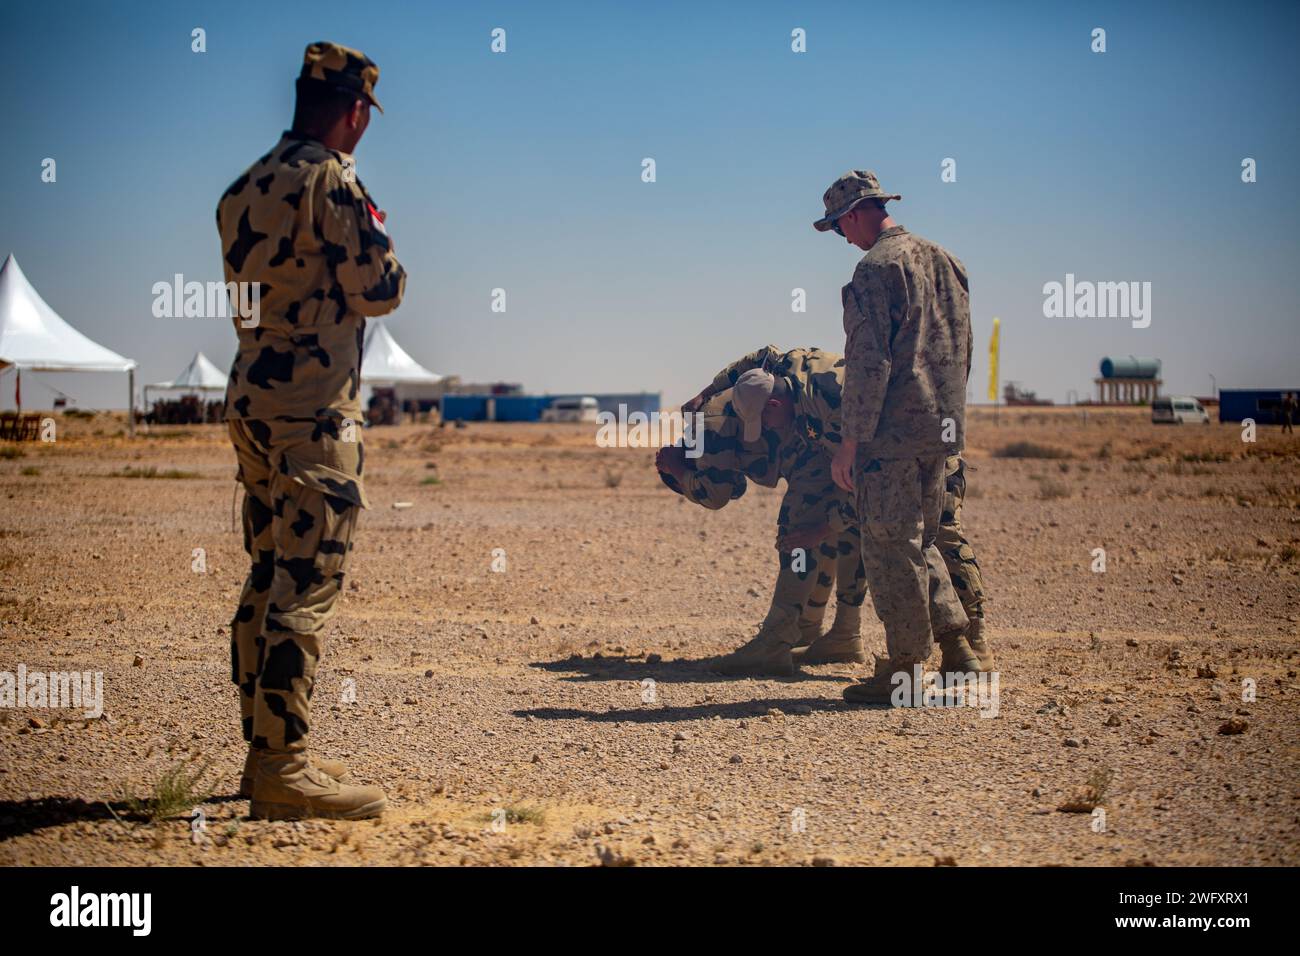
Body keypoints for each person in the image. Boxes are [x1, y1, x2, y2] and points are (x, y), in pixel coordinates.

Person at [217, 41, 405, 818]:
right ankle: (283, 770)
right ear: (355, 111)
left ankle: (263, 752)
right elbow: (381, 288)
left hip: (254, 404)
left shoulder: (242, 187)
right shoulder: (331, 180)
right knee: (305, 587)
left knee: (266, 576)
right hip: (315, 412)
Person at [695, 345, 994, 676]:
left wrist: (822, 530)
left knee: (938, 540)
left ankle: (970, 642)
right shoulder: (787, 367)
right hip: (895, 452)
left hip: (928, 455)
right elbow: (758, 357)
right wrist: (707, 392)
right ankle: (820, 638)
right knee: (905, 539)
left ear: (777, 403)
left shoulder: (839, 408)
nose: (769, 430)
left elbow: (869, 491)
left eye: (766, 420)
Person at [814, 171, 975, 704]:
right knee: (920, 540)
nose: (843, 238)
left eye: (840, 227)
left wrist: (851, 442)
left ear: (858, 212)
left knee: (888, 547)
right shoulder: (947, 260)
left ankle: (903, 673)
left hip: (890, 435)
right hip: (941, 429)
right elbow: (964, 349)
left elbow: (868, 363)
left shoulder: (876, 269)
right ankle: (959, 650)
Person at [657, 385, 866, 676]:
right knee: (832, 531)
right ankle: (835, 632)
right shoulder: (716, 418)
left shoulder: (704, 431)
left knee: (798, 537)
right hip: (828, 448)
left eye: (687, 486)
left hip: (816, 455)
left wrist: (676, 468)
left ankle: (776, 642)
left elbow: (715, 494)